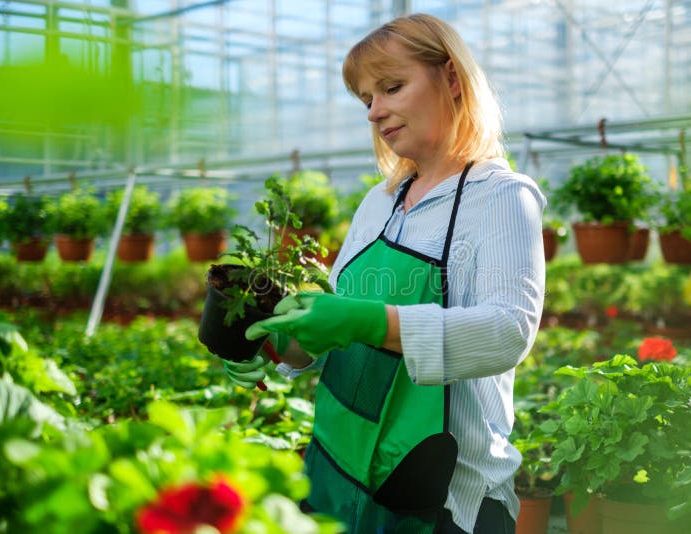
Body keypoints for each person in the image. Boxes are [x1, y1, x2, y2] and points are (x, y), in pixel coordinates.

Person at [224, 13, 546, 534]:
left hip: (445, 494)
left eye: (391, 88)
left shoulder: (501, 197)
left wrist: (372, 322)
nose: (375, 112)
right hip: (342, 470)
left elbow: (508, 331)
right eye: (366, 99)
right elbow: (333, 331)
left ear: (452, 78)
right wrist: (276, 344)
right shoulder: (379, 202)